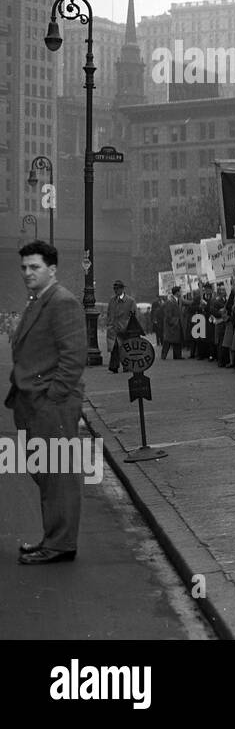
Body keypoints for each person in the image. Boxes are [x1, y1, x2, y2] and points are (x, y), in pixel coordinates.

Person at [7, 241, 87, 564]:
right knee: (49, 474)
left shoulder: (62, 302)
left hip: (51, 405)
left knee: (59, 476)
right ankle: (54, 538)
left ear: (52, 269)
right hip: (36, 402)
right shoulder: (41, 300)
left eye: (34, 267)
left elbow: (74, 358)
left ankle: (59, 544)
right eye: (24, 267)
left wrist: (51, 399)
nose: (27, 272)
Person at [105, 279, 136, 373]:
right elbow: (109, 313)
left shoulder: (130, 301)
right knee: (114, 348)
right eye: (114, 288)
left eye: (117, 288)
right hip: (113, 329)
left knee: (125, 349)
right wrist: (109, 324)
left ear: (122, 289)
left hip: (125, 329)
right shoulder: (112, 300)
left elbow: (134, 316)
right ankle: (114, 367)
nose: (115, 290)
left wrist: (129, 327)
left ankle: (126, 366)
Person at [161, 285, 184, 360]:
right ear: (177, 292)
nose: (181, 292)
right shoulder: (170, 301)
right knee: (167, 341)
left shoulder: (178, 300)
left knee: (177, 340)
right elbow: (168, 314)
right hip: (171, 324)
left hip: (176, 324)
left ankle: (177, 356)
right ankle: (163, 356)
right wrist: (173, 322)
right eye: (180, 291)